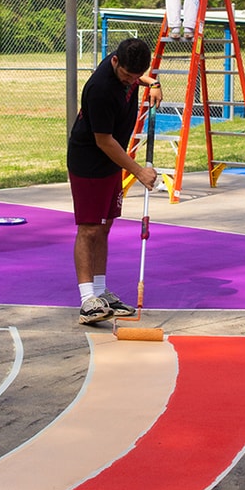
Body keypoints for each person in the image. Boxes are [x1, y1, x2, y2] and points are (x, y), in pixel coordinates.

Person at [67, 37, 162, 324]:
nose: (130, 81)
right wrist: (139, 171)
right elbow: (104, 141)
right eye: (127, 76)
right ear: (115, 62)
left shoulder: (128, 67)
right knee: (89, 229)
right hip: (90, 161)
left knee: (105, 227)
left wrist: (151, 84)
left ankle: (100, 292)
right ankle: (87, 301)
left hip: (112, 161)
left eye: (135, 77)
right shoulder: (100, 89)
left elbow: (138, 77)